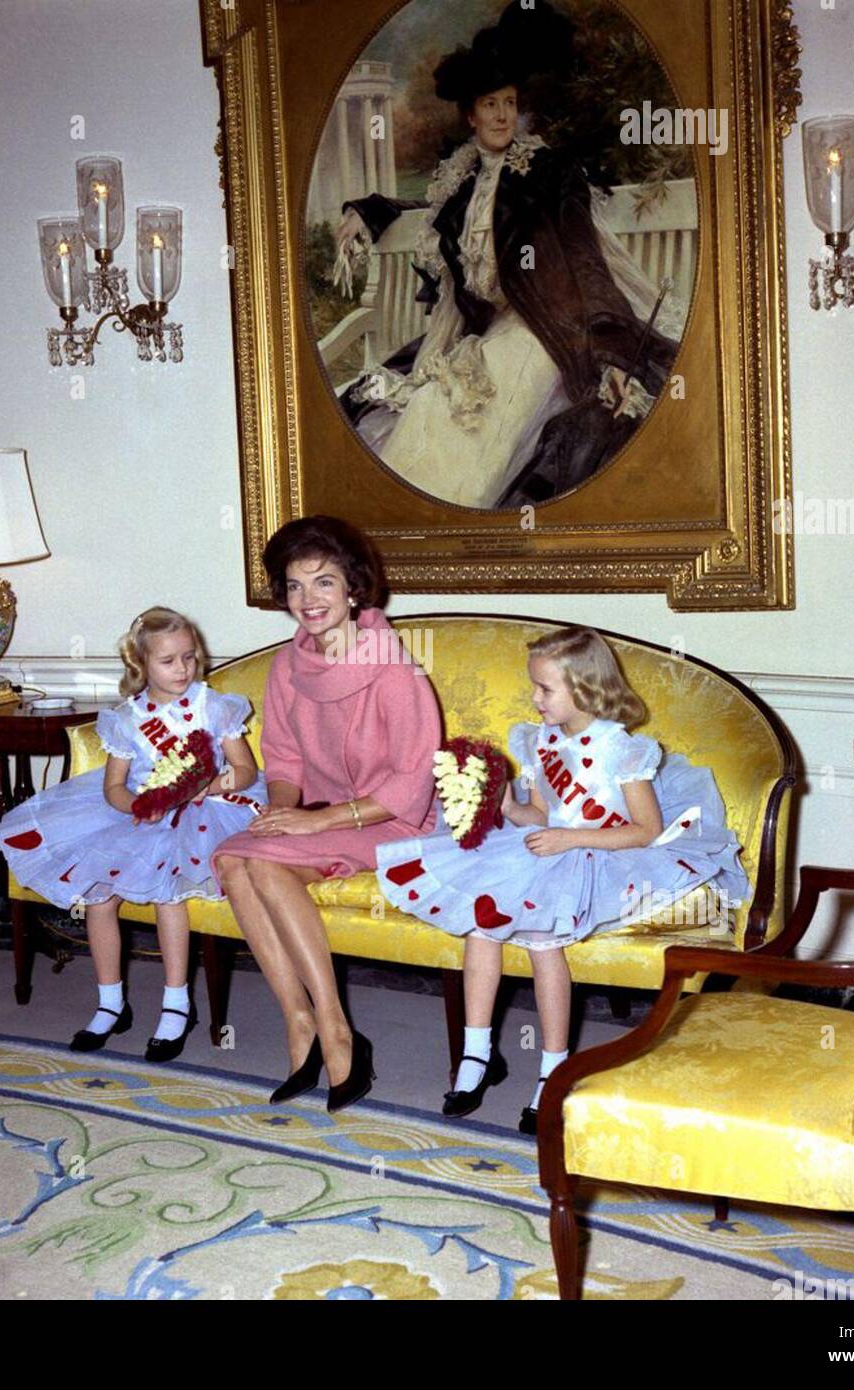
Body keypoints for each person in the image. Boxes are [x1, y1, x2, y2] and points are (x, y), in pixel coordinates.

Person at [374, 625, 750, 1134]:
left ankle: (554, 1066)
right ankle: (477, 1053)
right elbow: (539, 815)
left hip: (597, 852)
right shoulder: (541, 741)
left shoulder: (624, 751)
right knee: (480, 927)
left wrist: (572, 841)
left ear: (586, 688)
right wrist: (508, 804)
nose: (534, 699)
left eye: (545, 689)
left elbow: (646, 831)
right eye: (534, 686)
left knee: (541, 941)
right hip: (544, 847)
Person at [334, 0, 683, 509]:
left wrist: (610, 351)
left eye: (509, 102)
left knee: (486, 406)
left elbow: (585, 261)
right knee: (431, 401)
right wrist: (370, 209)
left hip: (551, 327)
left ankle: (463, 516)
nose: (502, 115)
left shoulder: (544, 171)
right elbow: (433, 212)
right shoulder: (461, 177)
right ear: (471, 114)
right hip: (490, 329)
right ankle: (416, 519)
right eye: (490, 104)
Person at [212, 515, 442, 1112]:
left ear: (354, 588)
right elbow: (283, 762)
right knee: (236, 856)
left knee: (259, 866)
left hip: (395, 820)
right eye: (294, 585)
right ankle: (300, 1022)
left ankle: (335, 1030)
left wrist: (313, 822)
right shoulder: (288, 665)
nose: (307, 600)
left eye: (323, 583)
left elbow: (412, 780)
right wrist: (279, 813)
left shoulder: (394, 665)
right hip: (323, 817)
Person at [0, 608, 265, 1061]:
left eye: (189, 657)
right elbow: (114, 788)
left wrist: (206, 784)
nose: (182, 669)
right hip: (143, 814)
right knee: (99, 896)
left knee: (168, 894)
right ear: (141, 666)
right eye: (168, 661)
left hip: (205, 811)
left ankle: (177, 1004)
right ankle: (110, 1002)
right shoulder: (127, 719)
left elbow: (245, 770)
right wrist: (140, 807)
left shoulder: (213, 707)